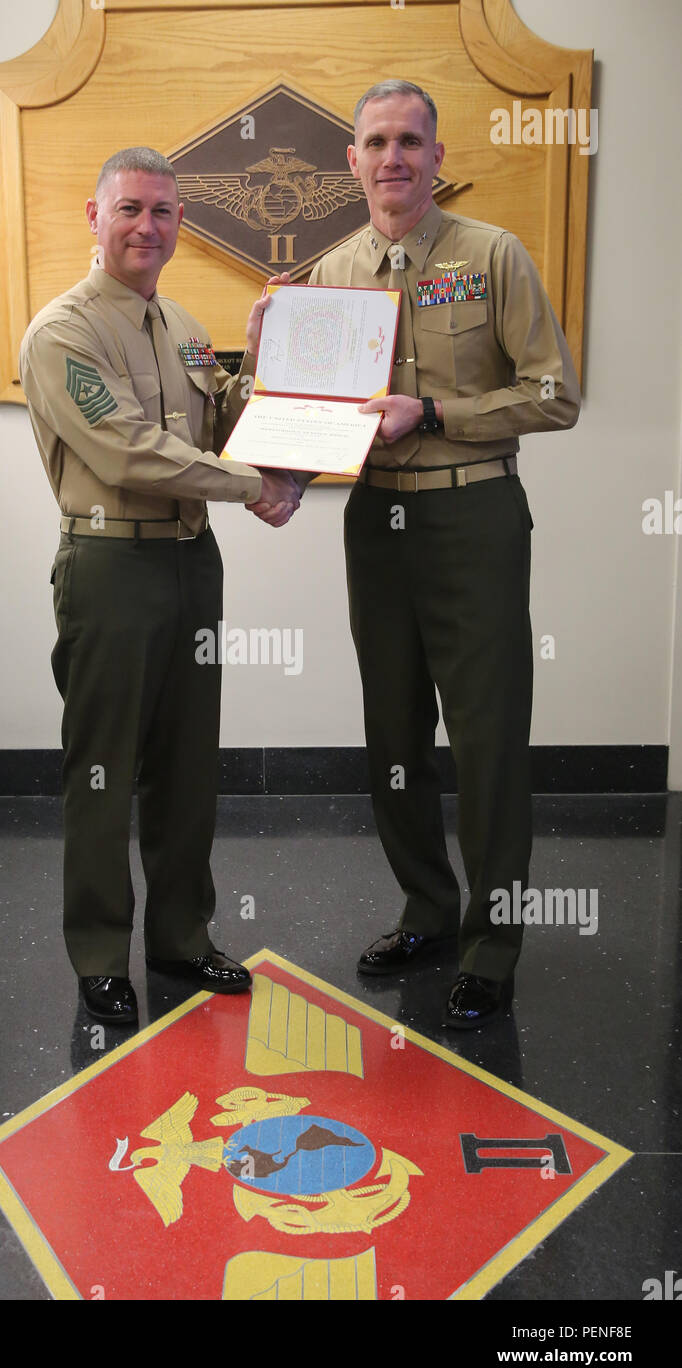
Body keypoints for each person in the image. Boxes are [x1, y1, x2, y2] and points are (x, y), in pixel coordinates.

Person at [274, 80, 580, 1027]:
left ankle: (493, 943)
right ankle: (427, 911)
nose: (393, 156)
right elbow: (314, 420)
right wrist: (271, 394)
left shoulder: (494, 257)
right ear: (352, 161)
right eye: (376, 141)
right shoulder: (328, 275)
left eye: (411, 139)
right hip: (378, 523)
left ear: (438, 156)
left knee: (486, 738)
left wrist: (437, 412)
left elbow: (554, 395)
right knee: (394, 731)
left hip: (473, 516)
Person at [19, 147, 300, 1023]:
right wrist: (255, 485)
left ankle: (182, 938)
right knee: (103, 769)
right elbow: (128, 450)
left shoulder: (177, 321)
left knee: (187, 765)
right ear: (94, 218)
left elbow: (222, 419)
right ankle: (101, 954)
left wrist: (263, 358)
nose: (148, 226)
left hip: (189, 562)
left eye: (165, 213)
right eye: (131, 209)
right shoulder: (62, 332)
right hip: (111, 569)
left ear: (181, 223)